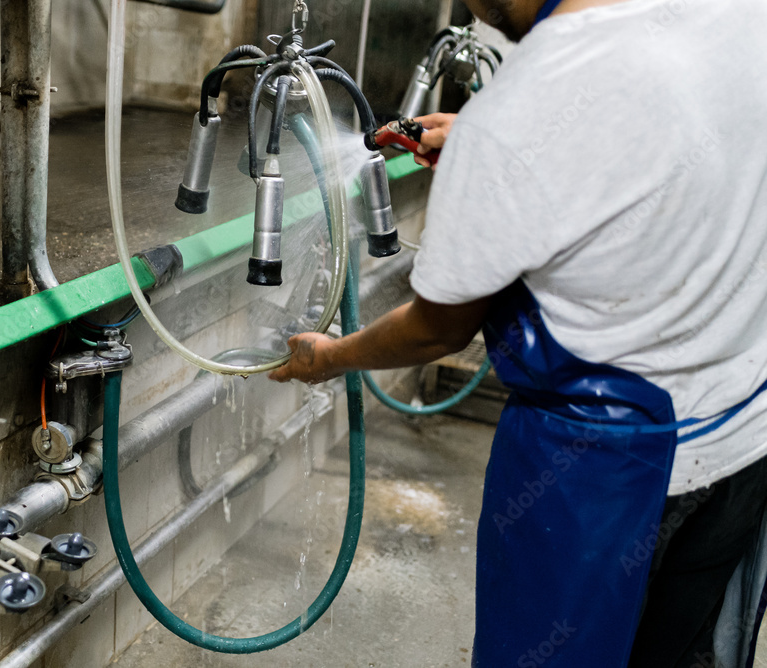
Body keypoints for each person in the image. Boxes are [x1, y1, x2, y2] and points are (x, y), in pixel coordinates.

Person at [269, 0, 767, 665]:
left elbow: (433, 331)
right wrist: (498, 146)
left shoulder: (524, 107)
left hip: (605, 480)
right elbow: (664, 135)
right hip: (744, 440)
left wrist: (330, 356)